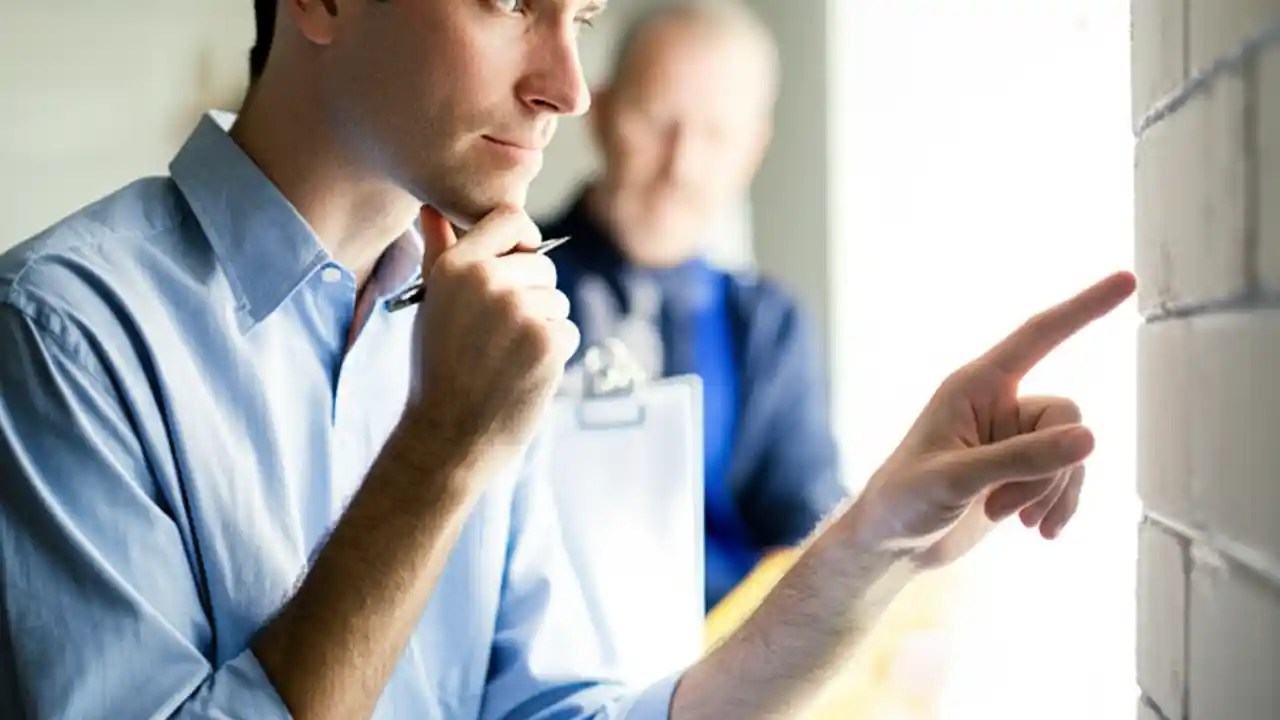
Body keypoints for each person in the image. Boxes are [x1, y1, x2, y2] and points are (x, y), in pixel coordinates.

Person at [0, 0, 1135, 718]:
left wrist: (880, 535)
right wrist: (443, 447)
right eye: (508, 3)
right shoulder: (62, 335)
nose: (569, 87)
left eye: (581, 18)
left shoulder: (474, 325)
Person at [540, 1, 845, 610]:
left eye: (716, 133)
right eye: (656, 121)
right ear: (599, 115)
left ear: (753, 149)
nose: (682, 165)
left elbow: (808, 540)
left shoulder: (768, 326)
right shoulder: (506, 280)